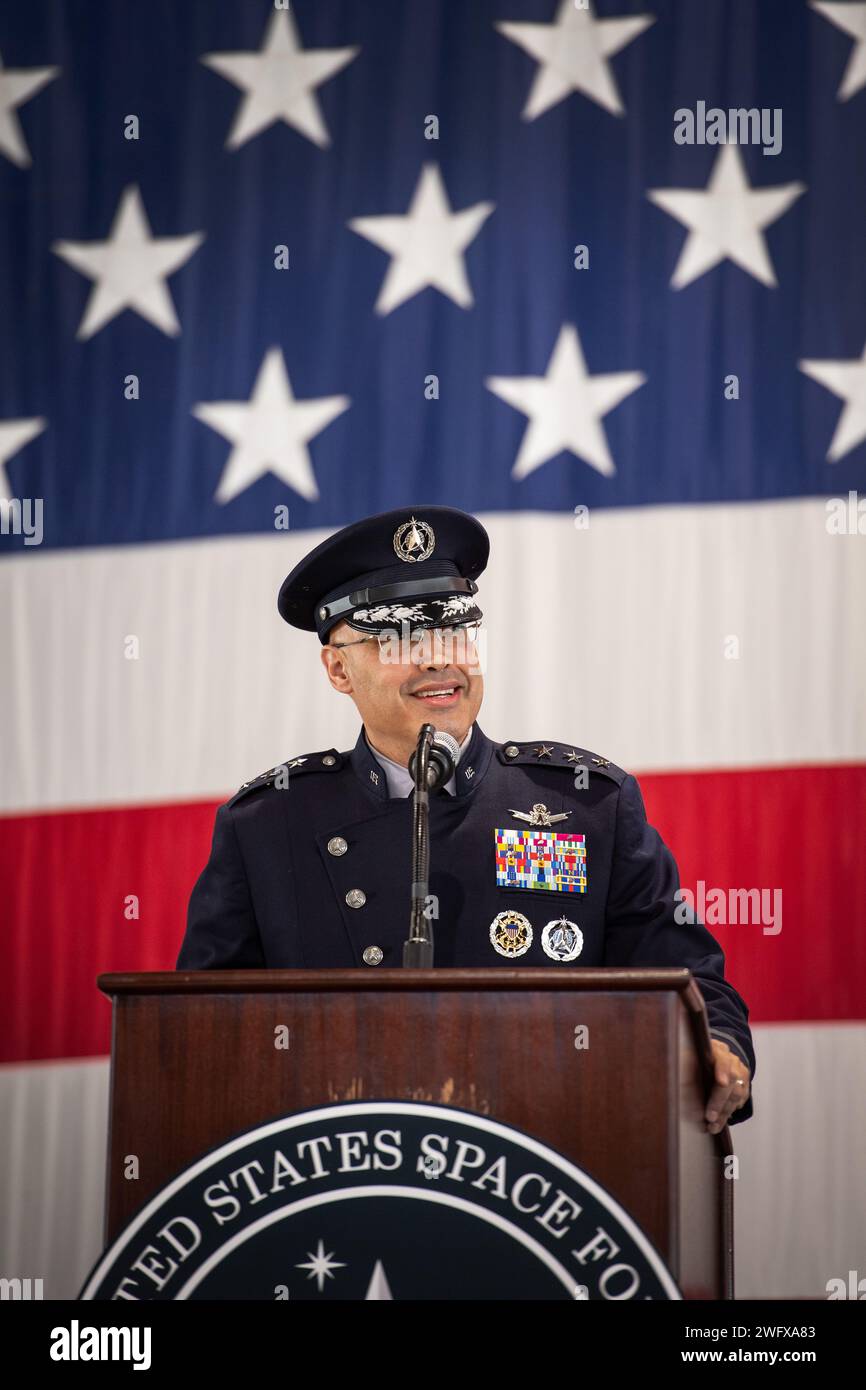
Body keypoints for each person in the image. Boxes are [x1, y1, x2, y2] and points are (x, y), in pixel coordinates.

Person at [177, 505, 754, 1132]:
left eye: (454, 632)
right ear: (339, 668)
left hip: (552, 1155)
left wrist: (719, 1046)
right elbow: (201, 1029)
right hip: (344, 1170)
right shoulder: (268, 825)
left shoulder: (588, 806)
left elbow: (691, 980)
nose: (437, 660)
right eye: (398, 639)